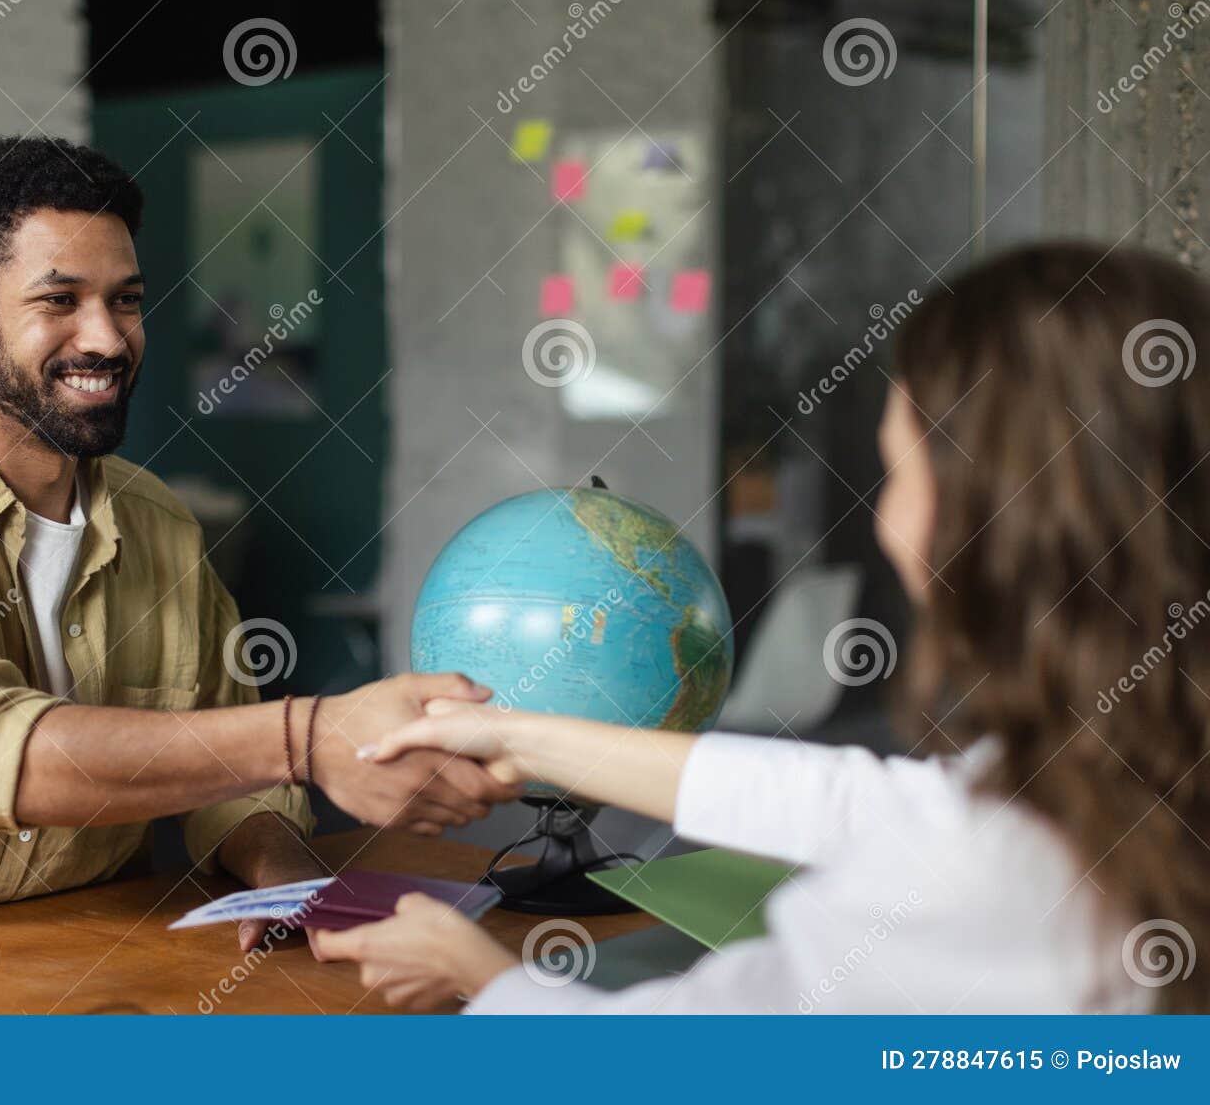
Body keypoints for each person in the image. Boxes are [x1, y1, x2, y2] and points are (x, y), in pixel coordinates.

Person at [313, 242, 1210, 1013]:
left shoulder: (975, 874)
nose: (885, 517)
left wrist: (481, 974)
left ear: (989, 519)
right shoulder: (1123, 768)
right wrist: (514, 732)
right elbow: (865, 804)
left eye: (897, 471)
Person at [0, 136, 514, 953]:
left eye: (128, 300)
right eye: (59, 301)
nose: (107, 340)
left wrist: (281, 868)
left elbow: (234, 779)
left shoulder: (160, 522)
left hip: (91, 972)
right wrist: (312, 736)